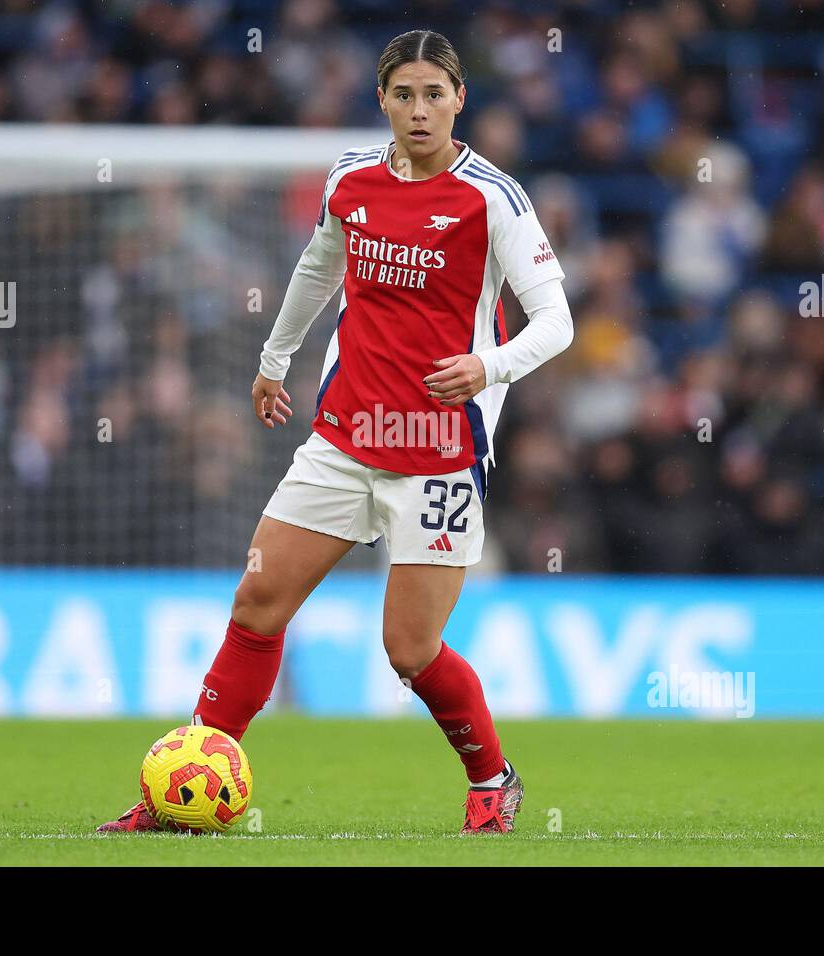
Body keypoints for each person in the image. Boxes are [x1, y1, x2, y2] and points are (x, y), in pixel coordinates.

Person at [99, 29, 574, 835]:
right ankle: (178, 794)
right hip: (344, 439)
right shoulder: (351, 180)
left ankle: (493, 781)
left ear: (460, 99)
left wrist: (488, 368)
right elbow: (319, 267)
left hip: (438, 458)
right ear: (381, 99)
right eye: (403, 94)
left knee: (409, 649)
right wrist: (273, 360)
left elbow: (557, 321)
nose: (418, 110)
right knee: (256, 604)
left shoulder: (493, 198)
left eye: (434, 94)